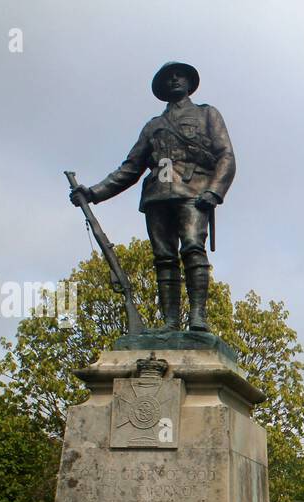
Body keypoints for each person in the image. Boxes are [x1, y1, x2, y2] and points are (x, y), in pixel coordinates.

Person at [70, 61, 235, 332]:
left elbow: (226, 156)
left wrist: (215, 191)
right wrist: (93, 192)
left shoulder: (207, 115)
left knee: (193, 248)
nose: (174, 80)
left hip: (194, 192)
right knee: (164, 258)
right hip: (157, 197)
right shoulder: (153, 126)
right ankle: (170, 322)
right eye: (168, 78)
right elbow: (130, 168)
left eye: (179, 76)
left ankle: (197, 317)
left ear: (189, 82)